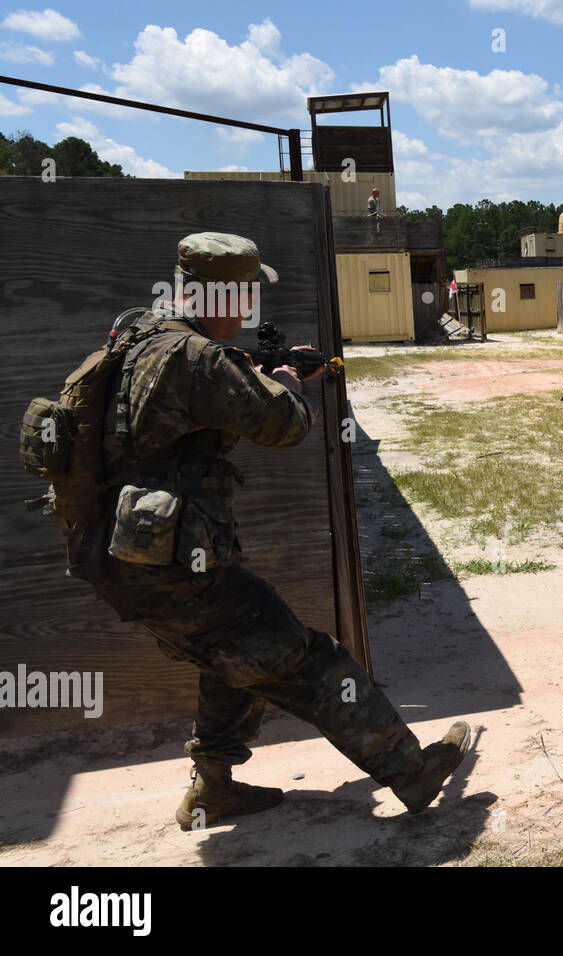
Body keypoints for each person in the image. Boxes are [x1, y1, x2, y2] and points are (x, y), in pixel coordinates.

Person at [61, 232, 470, 829]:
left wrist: (261, 370)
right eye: (247, 292)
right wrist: (290, 385)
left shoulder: (137, 335)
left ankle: (214, 788)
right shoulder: (197, 359)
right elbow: (283, 425)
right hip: (169, 565)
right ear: (223, 294)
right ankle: (409, 770)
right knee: (305, 659)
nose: (250, 305)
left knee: (229, 653)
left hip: (119, 557)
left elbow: (178, 411)